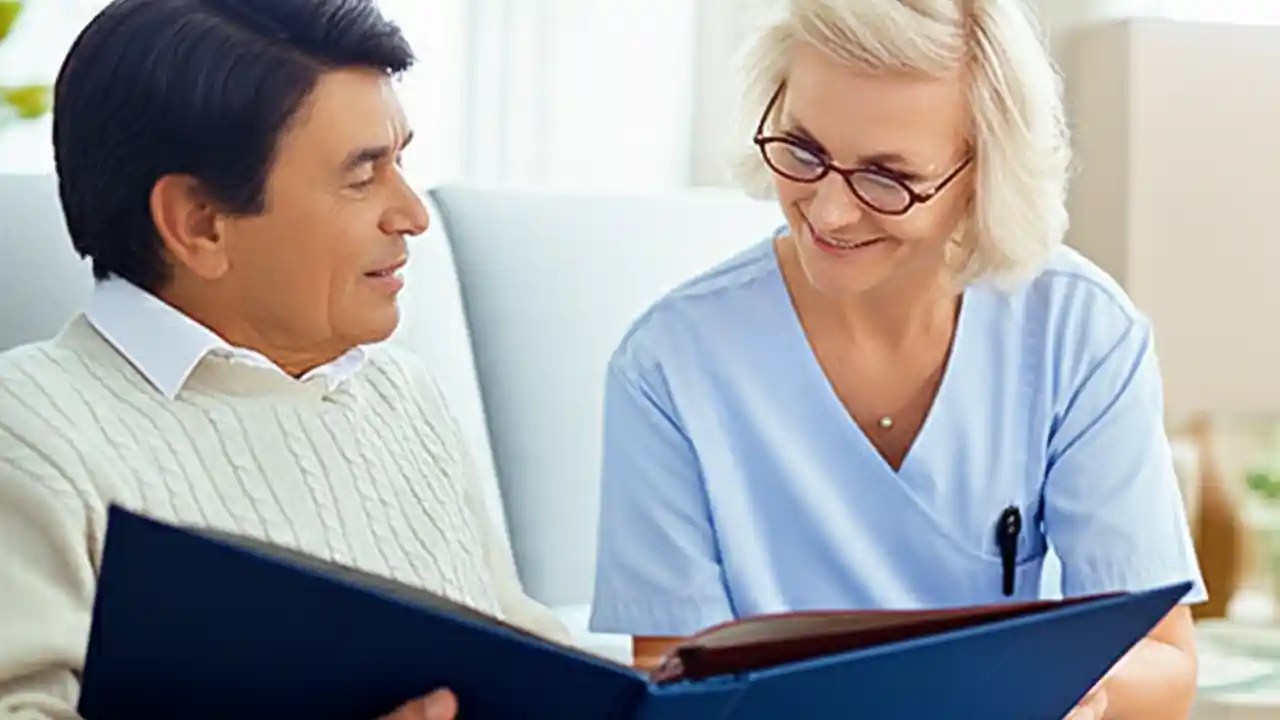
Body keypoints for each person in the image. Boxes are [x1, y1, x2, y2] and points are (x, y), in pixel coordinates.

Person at [589, 1, 1205, 718]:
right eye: (804, 150)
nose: (829, 212)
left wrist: (1064, 692)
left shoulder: (1080, 335)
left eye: (887, 177)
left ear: (985, 171)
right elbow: (677, 692)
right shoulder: (668, 365)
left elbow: (1164, 663)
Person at [0, 0, 565, 717]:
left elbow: (524, 648)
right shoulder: (29, 432)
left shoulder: (402, 395)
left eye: (399, 161)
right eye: (362, 176)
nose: (412, 214)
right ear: (199, 224)